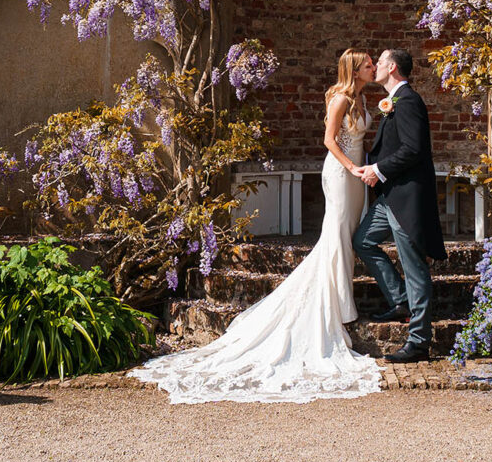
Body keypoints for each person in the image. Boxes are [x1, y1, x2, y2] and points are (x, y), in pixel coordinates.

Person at [130, 48, 383, 403]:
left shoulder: (361, 98)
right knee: (336, 236)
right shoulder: (340, 97)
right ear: (355, 69)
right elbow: (328, 141)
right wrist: (352, 168)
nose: (374, 68)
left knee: (347, 236)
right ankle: (338, 308)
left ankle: (342, 301)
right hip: (341, 174)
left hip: (356, 175)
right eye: (369, 64)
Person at [353, 47, 447, 363]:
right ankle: (400, 300)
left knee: (415, 268)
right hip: (389, 197)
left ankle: (419, 341)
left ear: (392, 67)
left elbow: (414, 149)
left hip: (406, 198)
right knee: (363, 241)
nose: (375, 66)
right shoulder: (394, 102)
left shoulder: (408, 101)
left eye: (379, 62)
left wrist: (378, 170)